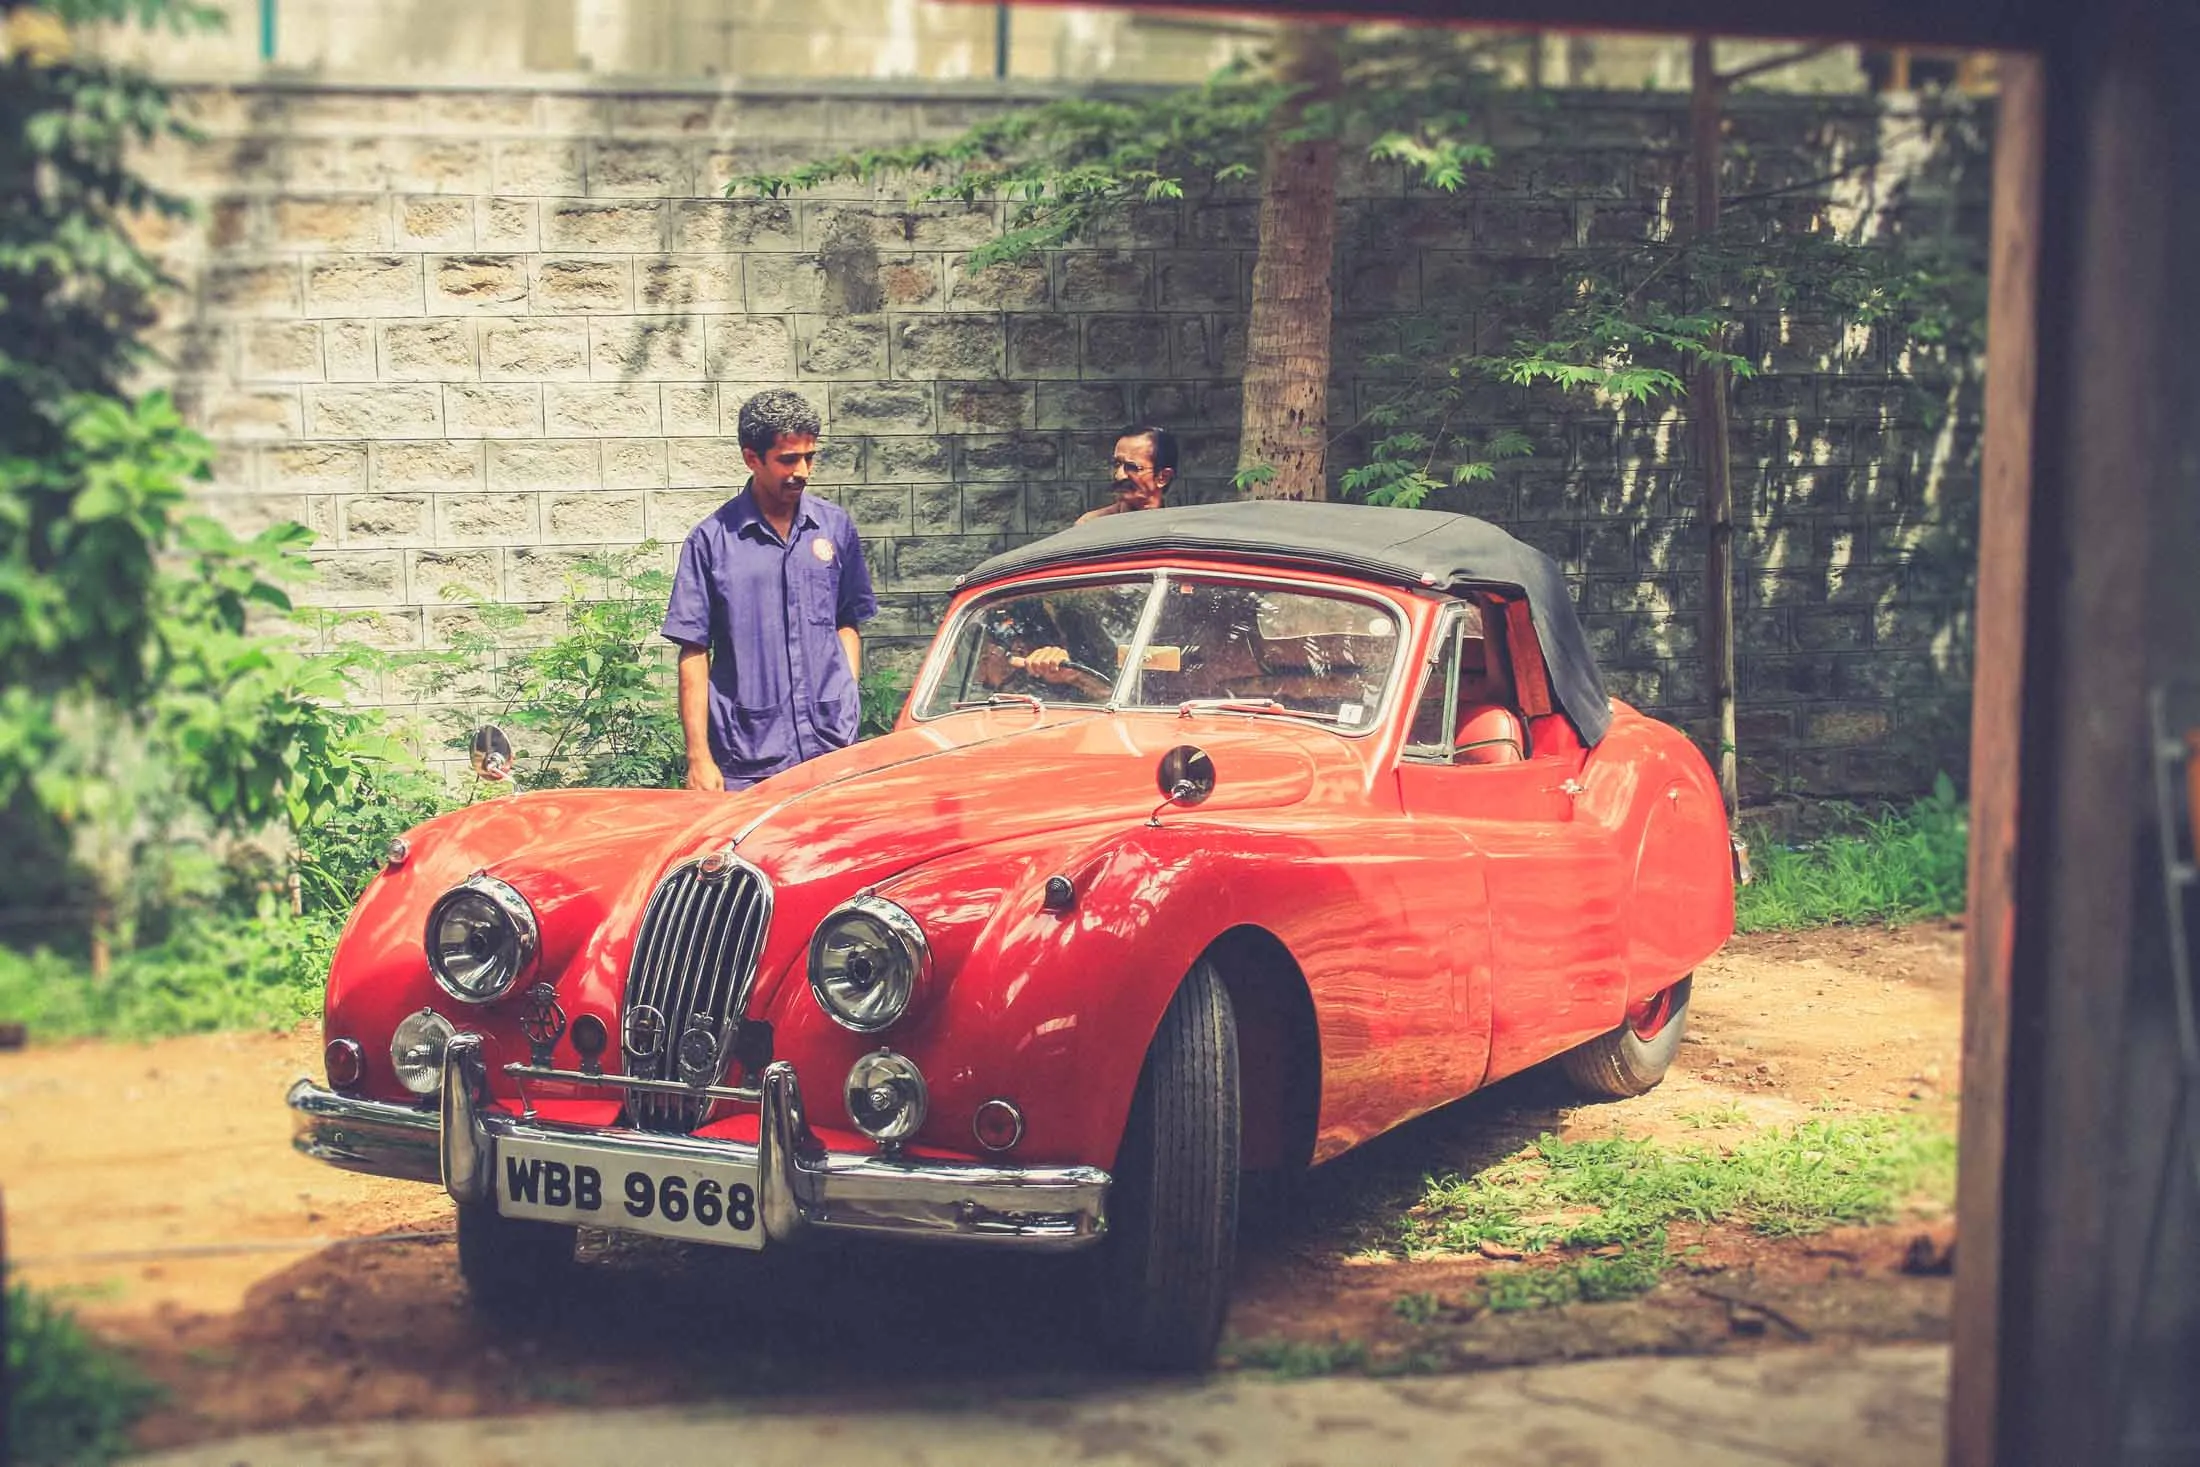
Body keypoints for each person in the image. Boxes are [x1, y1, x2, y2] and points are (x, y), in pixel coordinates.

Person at [661, 389, 877, 792]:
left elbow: (847, 620)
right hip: (748, 759)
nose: (803, 471)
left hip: (831, 749)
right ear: (751, 458)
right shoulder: (712, 541)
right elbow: (693, 650)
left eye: (810, 457)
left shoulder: (834, 527)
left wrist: (846, 694)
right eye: (788, 460)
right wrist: (699, 758)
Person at [1077, 425, 1177, 524]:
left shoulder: (1179, 527)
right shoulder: (1092, 525)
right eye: (1117, 464)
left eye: (1132, 467)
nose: (1119, 476)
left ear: (1163, 477)